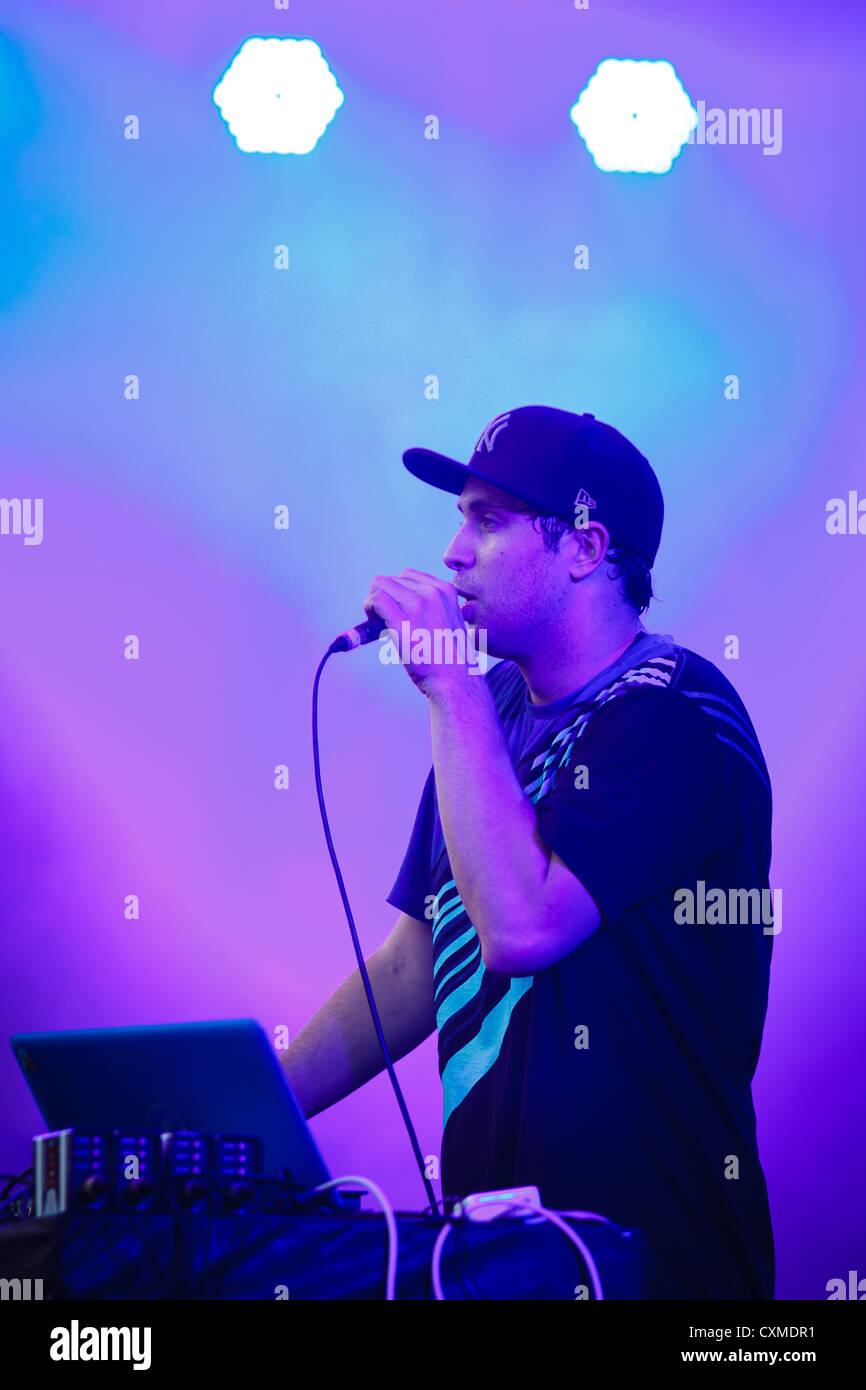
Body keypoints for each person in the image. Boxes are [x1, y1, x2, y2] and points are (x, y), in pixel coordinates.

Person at [282, 405, 775, 1300]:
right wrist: (253, 1121)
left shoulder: (674, 711)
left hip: (656, 1263)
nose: (454, 552)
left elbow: (522, 924)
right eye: (460, 517)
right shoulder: (494, 706)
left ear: (585, 549)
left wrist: (449, 686)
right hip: (500, 1252)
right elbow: (413, 966)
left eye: (490, 520)